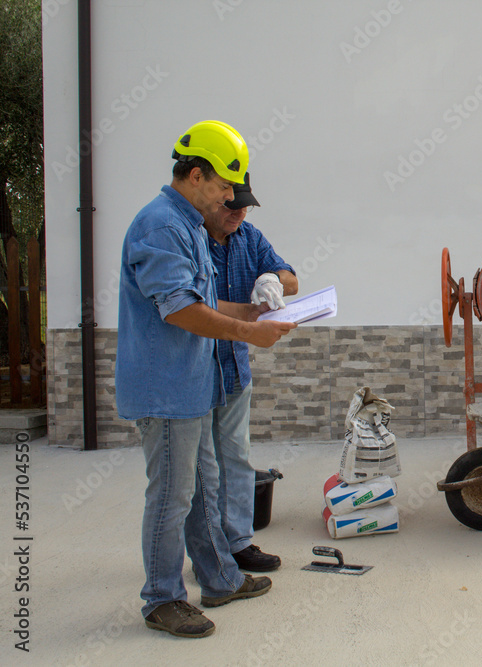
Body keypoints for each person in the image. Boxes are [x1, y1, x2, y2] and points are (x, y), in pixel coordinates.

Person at [116, 120, 296, 638]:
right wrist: (246, 330)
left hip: (191, 384)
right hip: (165, 388)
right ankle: (161, 599)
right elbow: (178, 310)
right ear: (195, 176)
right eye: (222, 187)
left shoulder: (189, 223)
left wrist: (258, 317)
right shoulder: (162, 226)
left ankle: (219, 578)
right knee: (173, 496)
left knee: (201, 490)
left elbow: (205, 302)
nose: (227, 198)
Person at [203, 172, 298, 573]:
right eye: (231, 204)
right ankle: (207, 551)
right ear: (211, 199)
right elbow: (193, 303)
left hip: (235, 368)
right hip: (197, 368)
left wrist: (271, 278)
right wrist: (247, 313)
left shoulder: (249, 237)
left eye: (245, 205)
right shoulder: (192, 239)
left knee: (236, 458)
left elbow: (292, 279)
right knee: (201, 468)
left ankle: (239, 543)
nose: (239, 212)